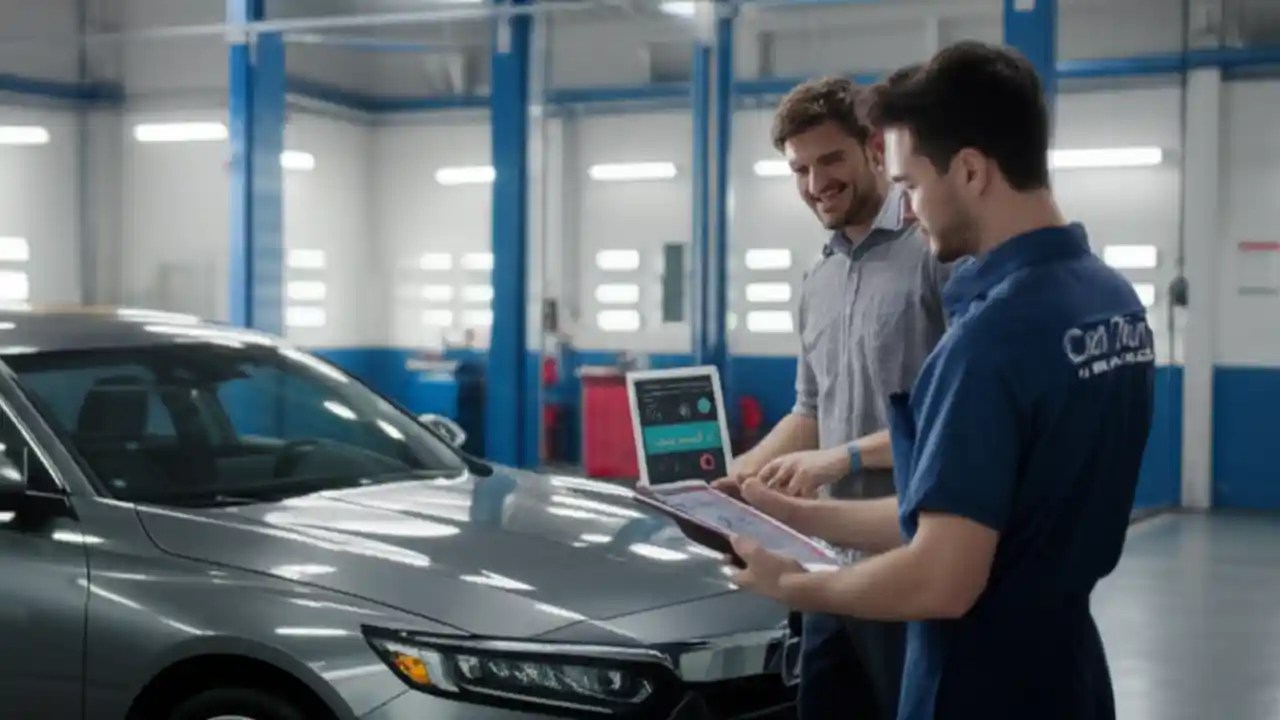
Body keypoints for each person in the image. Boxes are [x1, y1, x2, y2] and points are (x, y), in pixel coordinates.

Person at [727, 41, 1156, 720]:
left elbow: (943, 575)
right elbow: (979, 516)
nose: (910, 206)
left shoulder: (989, 338)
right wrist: (796, 515)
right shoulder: (1112, 303)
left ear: (971, 171)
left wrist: (796, 587)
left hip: (977, 675)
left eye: (911, 185)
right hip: (1065, 667)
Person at [714, 76, 949, 720]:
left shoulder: (934, 253)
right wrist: (729, 479)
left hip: (911, 560)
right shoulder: (818, 279)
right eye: (800, 169)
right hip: (824, 567)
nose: (816, 182)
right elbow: (808, 412)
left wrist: (840, 459)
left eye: (830, 160)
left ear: (873, 147)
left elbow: (954, 415)